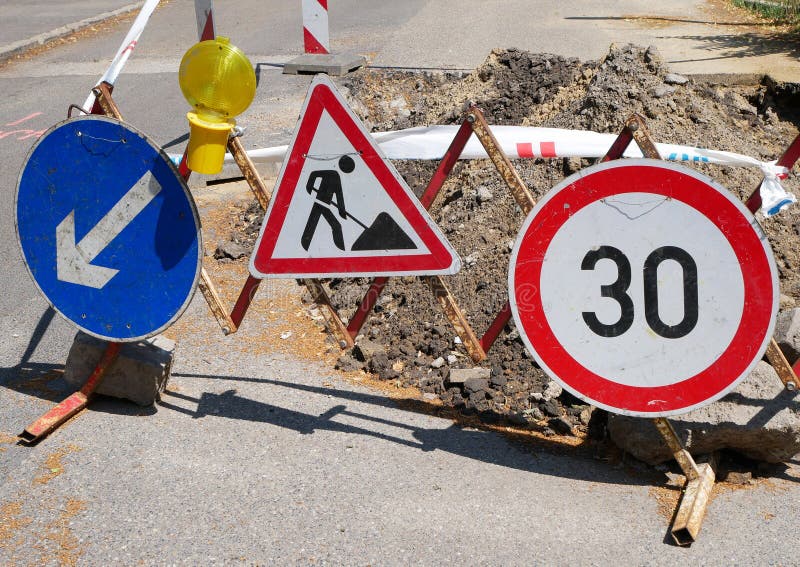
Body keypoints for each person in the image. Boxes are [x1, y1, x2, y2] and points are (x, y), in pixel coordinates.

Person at [300, 155, 355, 251]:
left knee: (315, 225)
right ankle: (341, 250)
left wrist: (341, 211)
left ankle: (304, 246)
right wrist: (309, 187)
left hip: (324, 204)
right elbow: (313, 174)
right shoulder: (331, 173)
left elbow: (339, 195)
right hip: (319, 202)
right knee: (334, 226)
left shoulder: (336, 176)